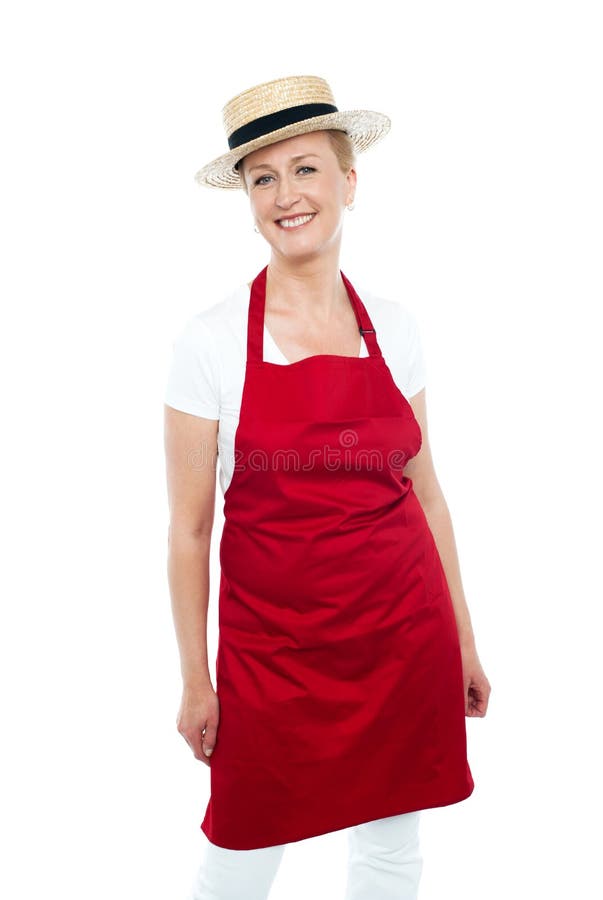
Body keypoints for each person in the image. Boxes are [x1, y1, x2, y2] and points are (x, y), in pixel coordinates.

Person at [164, 74, 491, 900]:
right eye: (263, 178)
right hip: (273, 657)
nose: (286, 195)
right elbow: (190, 531)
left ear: (349, 181)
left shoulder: (395, 328)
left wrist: (462, 636)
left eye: (306, 169)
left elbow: (427, 494)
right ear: (246, 199)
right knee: (237, 857)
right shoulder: (208, 343)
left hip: (401, 636)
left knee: (390, 848)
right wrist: (196, 678)